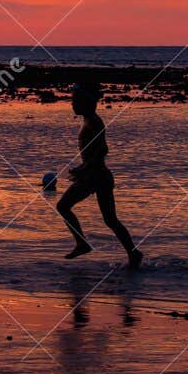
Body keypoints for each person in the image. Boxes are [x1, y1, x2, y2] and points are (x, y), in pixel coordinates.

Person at [57, 80, 143, 268]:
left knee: (63, 206)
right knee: (110, 220)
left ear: (86, 103)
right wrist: (84, 168)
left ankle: (82, 243)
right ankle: (133, 253)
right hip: (96, 176)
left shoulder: (94, 122)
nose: (72, 104)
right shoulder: (89, 120)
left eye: (75, 100)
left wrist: (84, 167)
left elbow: (103, 149)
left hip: (95, 176)